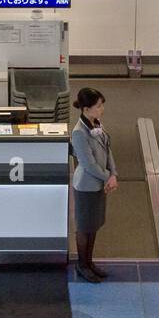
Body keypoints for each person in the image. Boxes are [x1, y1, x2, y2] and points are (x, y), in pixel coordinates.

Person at [69, 88, 116, 283]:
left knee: (94, 225)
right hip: (86, 186)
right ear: (86, 109)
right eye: (98, 106)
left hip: (99, 184)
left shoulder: (96, 124)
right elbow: (87, 164)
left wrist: (113, 173)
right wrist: (108, 177)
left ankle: (89, 262)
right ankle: (82, 265)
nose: (102, 109)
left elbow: (108, 149)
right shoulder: (79, 133)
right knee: (84, 227)